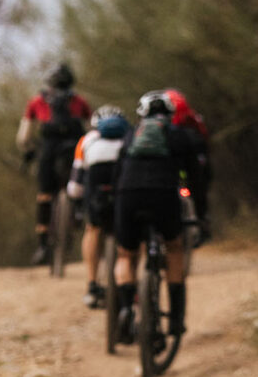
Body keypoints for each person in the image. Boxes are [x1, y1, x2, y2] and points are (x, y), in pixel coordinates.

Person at [109, 90, 194, 345]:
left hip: (128, 195)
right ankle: (176, 318)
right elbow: (194, 177)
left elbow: (117, 172)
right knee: (174, 248)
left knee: (126, 254)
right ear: (170, 115)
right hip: (163, 195)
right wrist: (201, 208)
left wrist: (117, 202)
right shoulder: (178, 135)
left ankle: (125, 308)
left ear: (142, 115)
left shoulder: (130, 135)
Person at [16, 64, 92, 265]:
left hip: (48, 150)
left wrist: (29, 151)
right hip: (73, 150)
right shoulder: (79, 101)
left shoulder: (38, 101)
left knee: (44, 194)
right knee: (76, 188)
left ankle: (42, 246)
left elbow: (23, 136)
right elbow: (91, 128)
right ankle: (76, 214)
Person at [67, 105, 128, 307]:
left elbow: (75, 186)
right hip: (124, 194)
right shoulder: (130, 138)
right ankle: (131, 282)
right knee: (130, 233)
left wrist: (77, 202)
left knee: (92, 229)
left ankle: (92, 284)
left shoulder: (86, 141)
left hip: (97, 195)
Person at [162, 86, 213, 236]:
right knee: (199, 182)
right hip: (192, 157)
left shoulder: (160, 122)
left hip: (172, 160)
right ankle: (202, 220)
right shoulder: (193, 117)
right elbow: (204, 139)